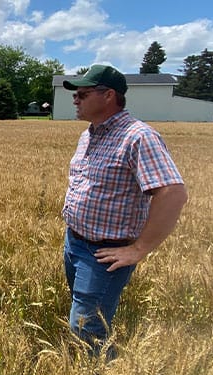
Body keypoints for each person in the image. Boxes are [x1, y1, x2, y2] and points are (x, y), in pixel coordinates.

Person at [61, 64, 187, 359]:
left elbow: (173, 193)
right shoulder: (88, 135)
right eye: (75, 95)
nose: (75, 99)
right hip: (75, 243)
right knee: (86, 319)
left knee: (86, 328)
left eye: (83, 94)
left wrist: (139, 249)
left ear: (109, 96)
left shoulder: (138, 137)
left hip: (105, 254)